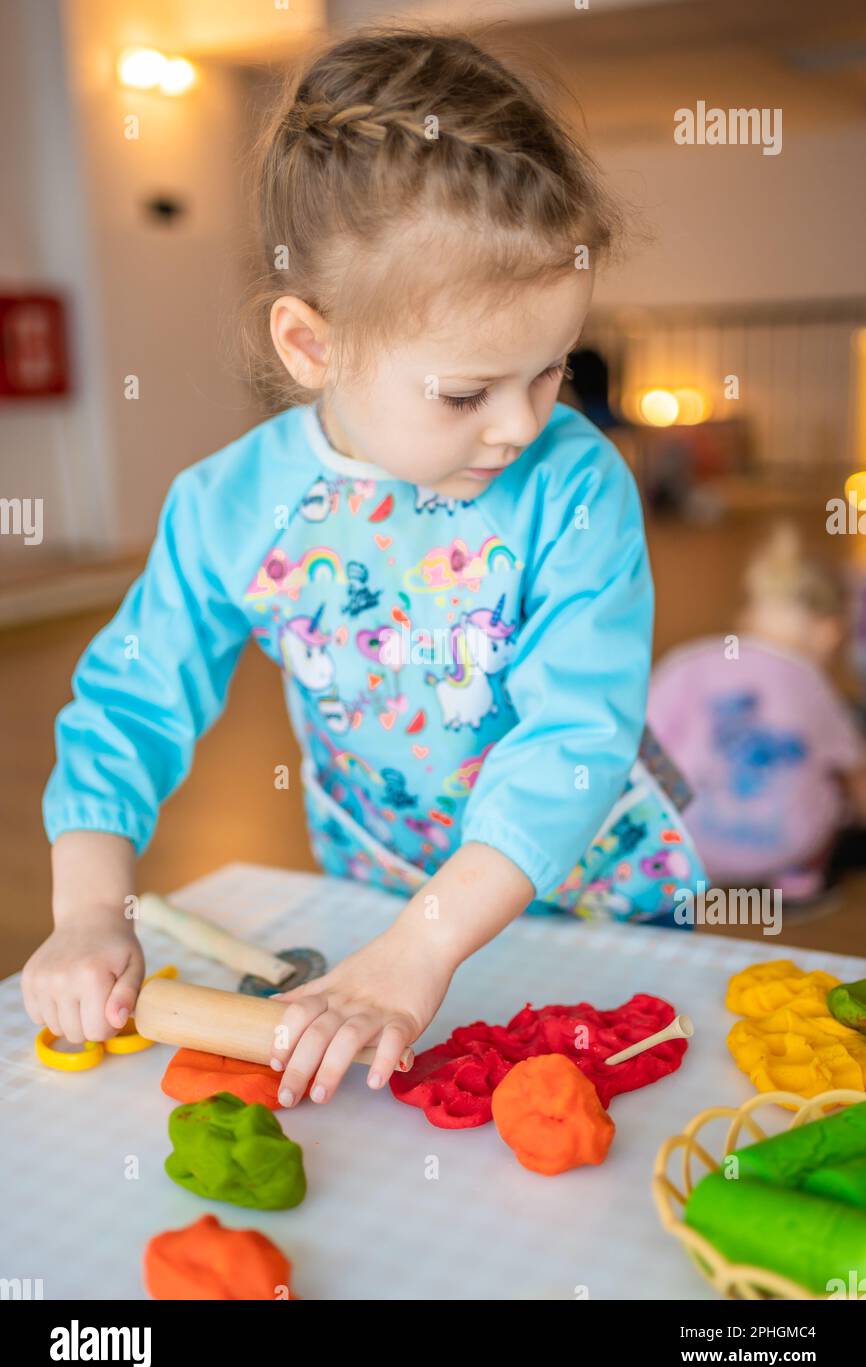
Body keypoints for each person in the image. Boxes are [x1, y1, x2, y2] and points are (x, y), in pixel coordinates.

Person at [24, 26, 703, 1109]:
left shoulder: (576, 484)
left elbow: (573, 736)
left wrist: (427, 943)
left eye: (550, 370)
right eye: (464, 392)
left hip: (598, 900)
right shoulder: (230, 508)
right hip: (378, 899)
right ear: (312, 346)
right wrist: (90, 912)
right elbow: (128, 707)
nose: (525, 424)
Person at [649, 523, 866, 905]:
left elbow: (641, 743)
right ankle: (798, 876)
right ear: (829, 630)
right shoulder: (814, 687)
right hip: (787, 846)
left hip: (691, 842)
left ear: (747, 614)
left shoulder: (690, 661)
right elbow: (856, 780)